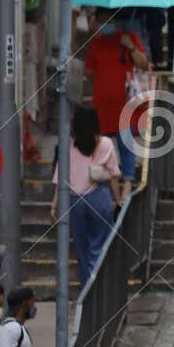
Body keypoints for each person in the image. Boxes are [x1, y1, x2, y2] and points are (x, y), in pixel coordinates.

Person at [51, 107, 121, 282]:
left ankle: (86, 292)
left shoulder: (68, 146)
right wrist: (118, 199)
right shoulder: (106, 143)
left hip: (74, 201)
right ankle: (97, 289)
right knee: (99, 248)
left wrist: (54, 204)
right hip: (99, 197)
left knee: (82, 251)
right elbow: (114, 176)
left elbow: (61, 178)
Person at [82, 17, 150, 195]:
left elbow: (144, 64)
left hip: (123, 105)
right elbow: (88, 72)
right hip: (102, 106)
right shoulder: (95, 43)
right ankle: (109, 189)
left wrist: (131, 47)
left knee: (125, 145)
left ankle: (126, 187)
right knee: (101, 148)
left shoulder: (129, 39)